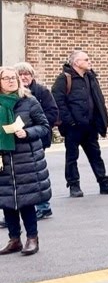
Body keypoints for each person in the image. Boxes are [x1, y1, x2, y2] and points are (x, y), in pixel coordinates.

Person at [0, 67, 53, 256]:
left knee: (27, 201)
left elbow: (44, 127)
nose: (10, 81)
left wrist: (27, 133)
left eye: (13, 78)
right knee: (7, 201)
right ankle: (14, 240)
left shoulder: (29, 102)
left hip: (26, 159)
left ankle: (32, 238)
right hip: (3, 160)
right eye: (5, 78)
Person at [52, 50, 108, 197]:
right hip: (73, 128)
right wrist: (70, 122)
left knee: (96, 155)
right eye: (86, 59)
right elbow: (58, 102)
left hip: (90, 126)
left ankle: (104, 183)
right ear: (76, 63)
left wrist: (99, 120)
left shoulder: (91, 77)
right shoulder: (64, 79)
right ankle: (74, 185)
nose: (90, 61)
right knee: (72, 157)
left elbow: (97, 99)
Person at [15, 63, 57, 220]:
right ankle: (17, 208)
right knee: (20, 175)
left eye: (27, 74)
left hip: (36, 139)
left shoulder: (41, 92)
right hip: (16, 140)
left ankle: (43, 206)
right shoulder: (12, 94)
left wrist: (34, 129)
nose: (24, 77)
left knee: (36, 173)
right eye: (21, 74)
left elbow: (52, 113)